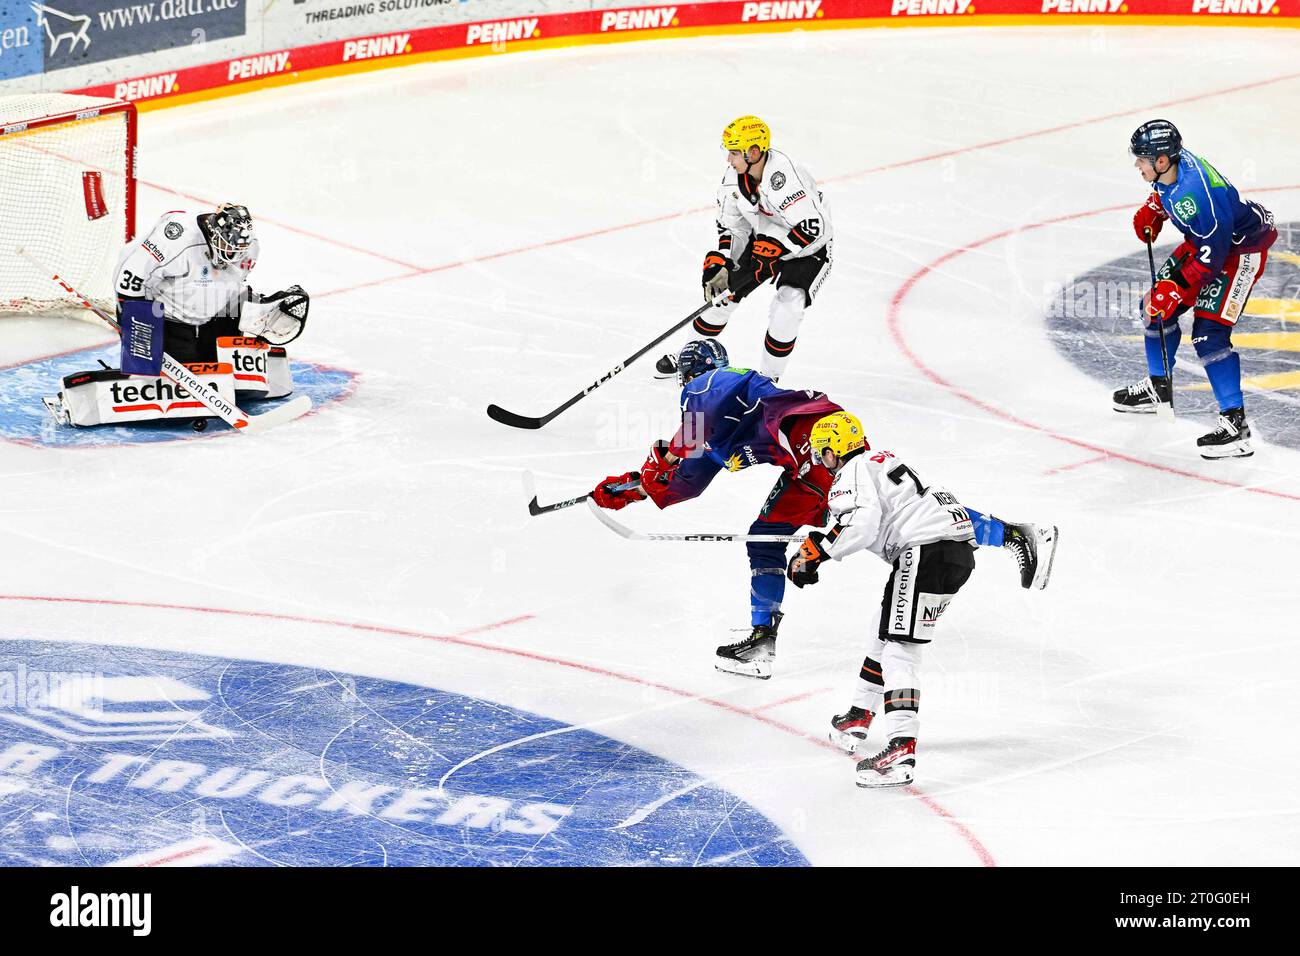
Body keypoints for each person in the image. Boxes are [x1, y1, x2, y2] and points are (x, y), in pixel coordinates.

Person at [592, 340, 1057, 681]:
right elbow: (684, 484)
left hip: (825, 439)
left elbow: (690, 433)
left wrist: (668, 456)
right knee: (777, 534)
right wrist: (635, 487)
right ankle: (761, 640)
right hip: (806, 463)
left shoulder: (710, 384)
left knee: (887, 519)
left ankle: (1014, 533)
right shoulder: (721, 429)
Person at [786, 412, 1015, 788]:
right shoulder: (878, 461)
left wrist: (817, 552)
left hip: (924, 553)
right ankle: (859, 715)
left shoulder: (852, 470)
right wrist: (820, 547)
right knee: (885, 637)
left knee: (899, 652)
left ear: (836, 448)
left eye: (825, 452)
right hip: (951, 553)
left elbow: (860, 525)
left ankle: (900, 748)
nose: (823, 460)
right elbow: (866, 522)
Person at [1114, 120, 1277, 459]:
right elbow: (1170, 199)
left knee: (1210, 334)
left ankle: (1236, 427)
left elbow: (1211, 262)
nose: (1137, 165)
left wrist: (1174, 288)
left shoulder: (1198, 196)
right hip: (1207, 245)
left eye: (1142, 159)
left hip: (1239, 254)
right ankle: (1159, 389)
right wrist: (1155, 210)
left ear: (1161, 161)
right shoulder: (1172, 169)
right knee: (1153, 310)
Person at [654, 115, 832, 384]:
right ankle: (689, 354)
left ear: (754, 152)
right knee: (720, 296)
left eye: (734, 152)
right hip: (763, 240)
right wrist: (723, 261)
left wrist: (780, 249)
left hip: (808, 250)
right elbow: (733, 228)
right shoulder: (732, 179)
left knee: (788, 306)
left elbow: (815, 228)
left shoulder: (785, 176)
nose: (729, 159)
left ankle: (767, 379)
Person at [113, 202, 308, 366]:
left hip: (213, 314)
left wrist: (256, 312)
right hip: (168, 316)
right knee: (176, 371)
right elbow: (129, 276)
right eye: (228, 247)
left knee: (219, 367)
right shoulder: (176, 238)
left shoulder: (251, 248)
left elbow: (230, 285)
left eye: (239, 250)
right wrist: (137, 329)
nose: (234, 256)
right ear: (215, 233)